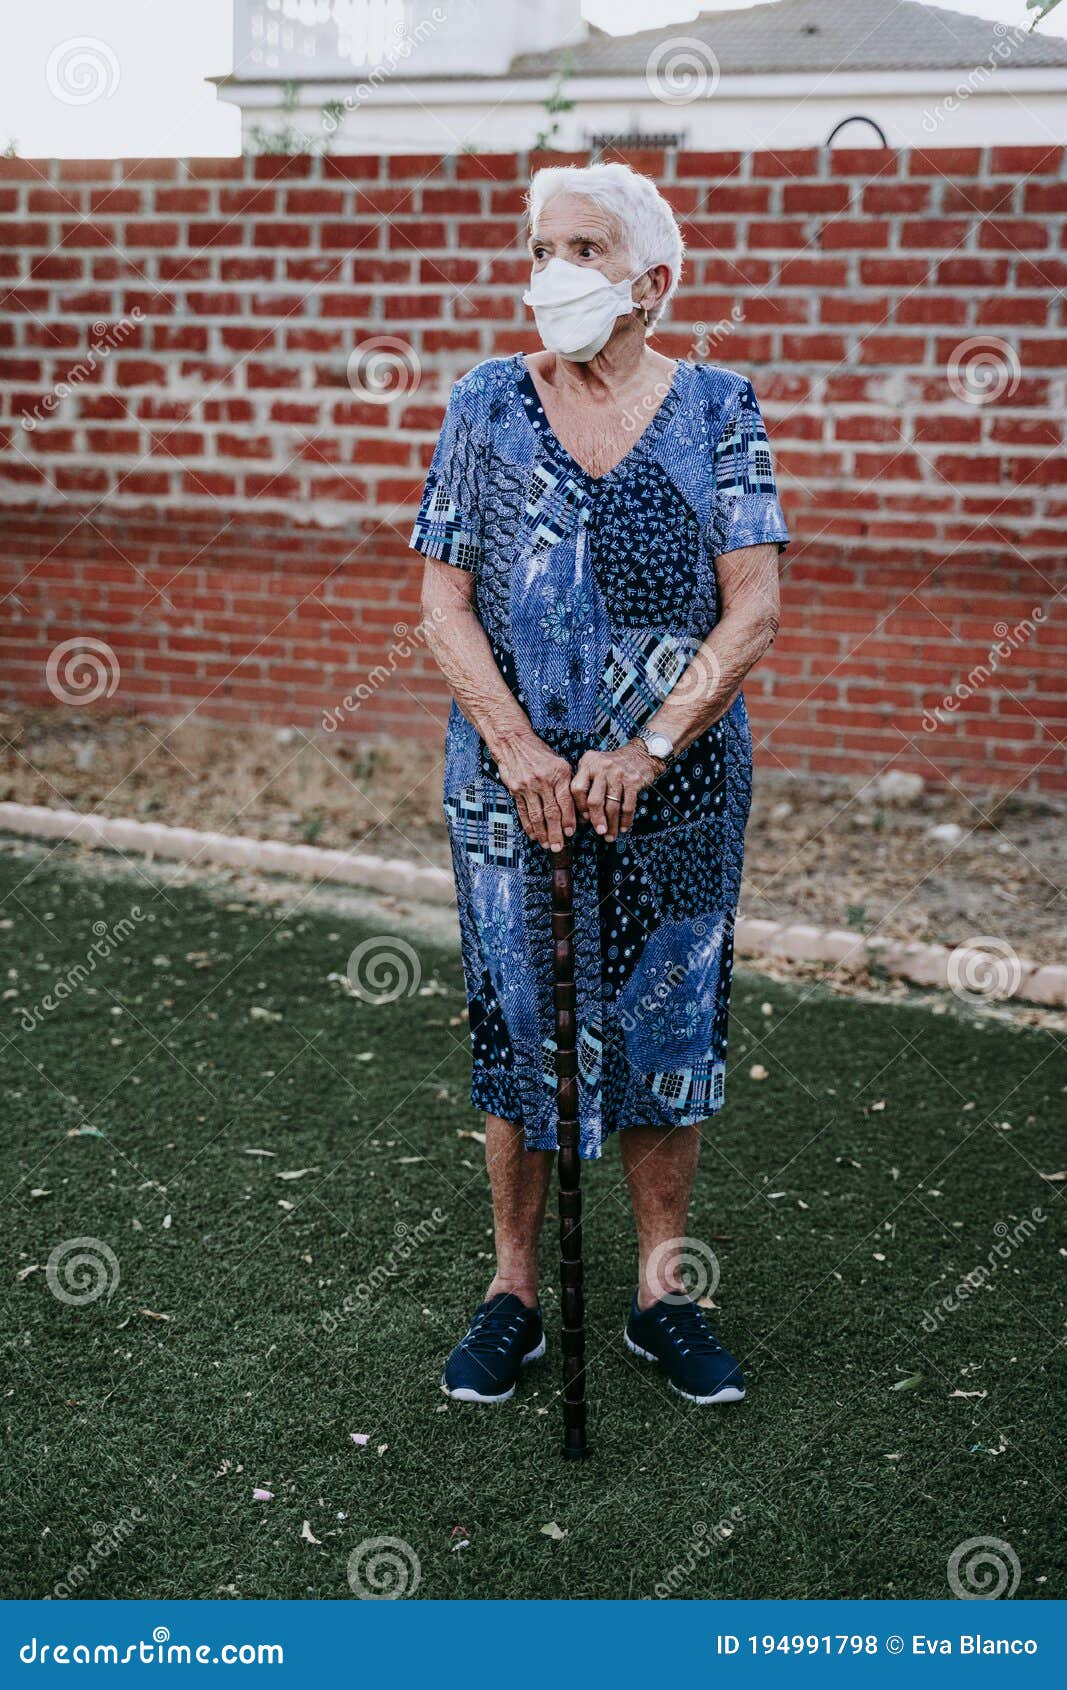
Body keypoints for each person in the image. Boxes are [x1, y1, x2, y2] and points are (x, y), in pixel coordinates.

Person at [410, 161, 789, 1410]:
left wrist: (649, 747)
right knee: (519, 1024)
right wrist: (517, 748)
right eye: (541, 245)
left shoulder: (718, 405)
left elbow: (752, 607)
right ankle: (511, 1290)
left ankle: (659, 1295)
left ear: (651, 282)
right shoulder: (485, 404)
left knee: (666, 1035)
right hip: (506, 787)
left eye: (582, 248)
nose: (550, 272)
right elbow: (441, 599)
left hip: (674, 784)